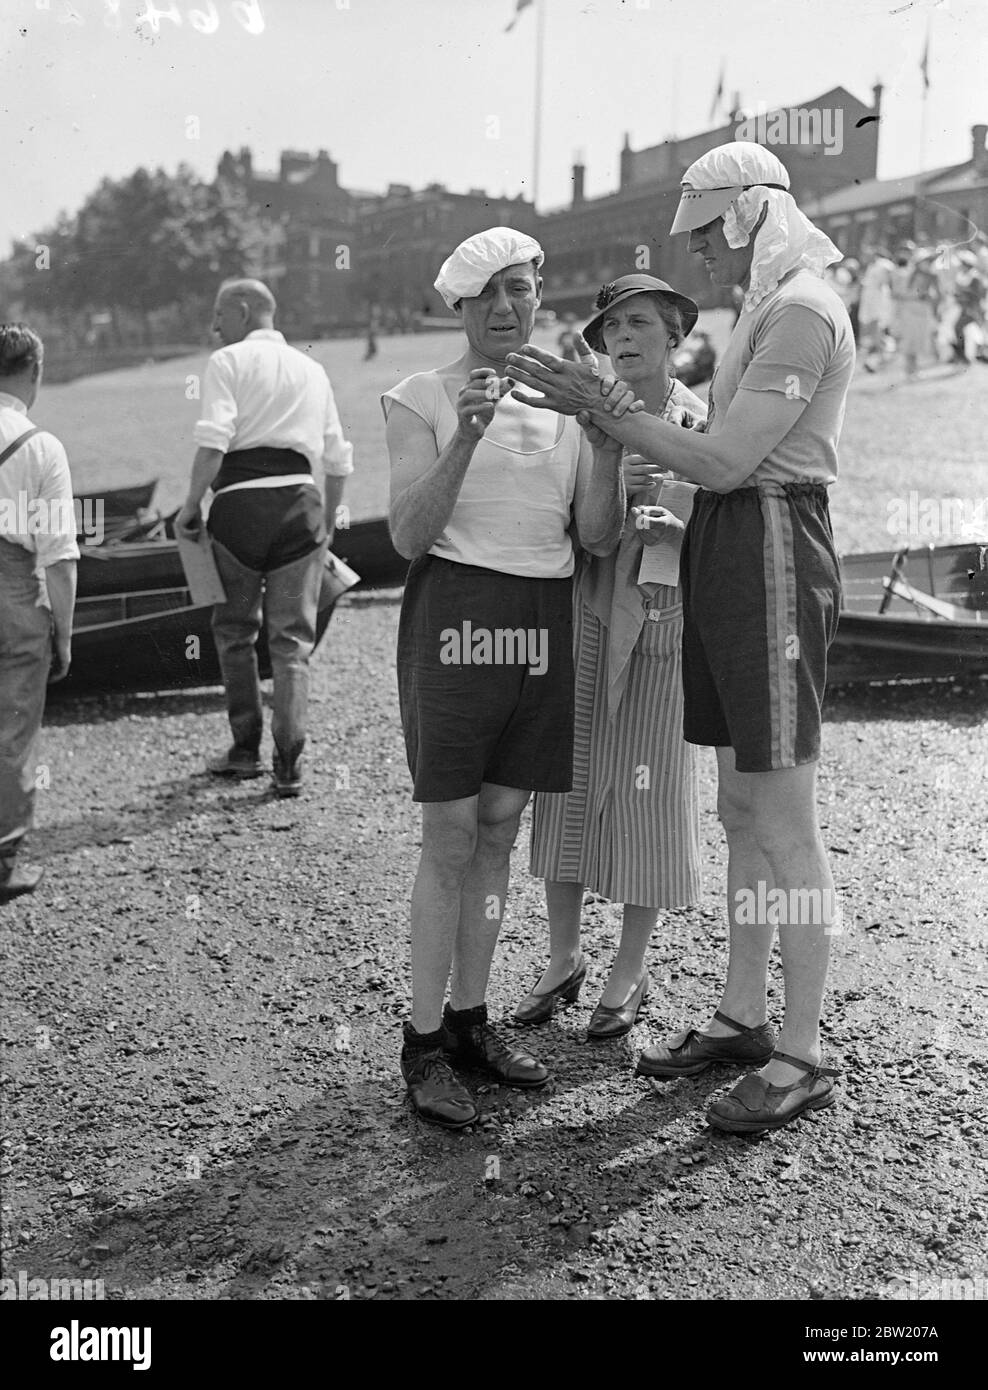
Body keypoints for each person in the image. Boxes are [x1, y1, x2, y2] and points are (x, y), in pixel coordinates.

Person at [505, 143, 854, 1135]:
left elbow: (726, 458)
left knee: (783, 817)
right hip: (736, 540)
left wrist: (601, 406)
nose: (697, 250)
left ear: (748, 213)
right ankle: (745, 1014)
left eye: (706, 230)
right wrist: (607, 413)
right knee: (743, 809)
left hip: (773, 537)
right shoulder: (767, 302)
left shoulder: (797, 308)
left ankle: (801, 1050)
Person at [384, 227, 630, 1129]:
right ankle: (419, 1047)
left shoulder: (565, 403)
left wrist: (604, 442)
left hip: (541, 617)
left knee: (499, 827)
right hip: (455, 614)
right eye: (487, 295)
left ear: (538, 297)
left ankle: (469, 1024)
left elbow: (596, 536)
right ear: (458, 306)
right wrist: (467, 439)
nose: (505, 308)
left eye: (520, 290)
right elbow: (407, 534)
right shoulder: (421, 396)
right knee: (449, 833)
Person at [515, 275, 705, 1041]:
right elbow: (592, 537)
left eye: (637, 324)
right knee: (566, 785)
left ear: (673, 336)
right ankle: (563, 957)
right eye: (610, 329)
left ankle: (630, 966)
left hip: (665, 616)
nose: (621, 339)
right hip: (589, 610)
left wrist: (676, 522)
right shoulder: (584, 413)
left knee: (649, 792)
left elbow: (725, 537)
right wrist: (611, 479)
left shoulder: (705, 417)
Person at [176, 279, 353, 797]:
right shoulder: (312, 369)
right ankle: (290, 765)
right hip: (302, 505)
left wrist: (190, 506)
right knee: (292, 643)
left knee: (235, 632)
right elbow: (337, 457)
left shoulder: (227, 361)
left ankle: (244, 749)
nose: (214, 327)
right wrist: (327, 520)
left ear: (245, 309)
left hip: (240, 507)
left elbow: (214, 440)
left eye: (218, 314)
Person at [0, 324, 78, 901]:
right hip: (13, 595)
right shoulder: (41, 447)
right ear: (35, 372)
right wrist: (65, 634)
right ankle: (3, 861)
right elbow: (59, 558)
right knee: (13, 726)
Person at [857, 247, 894, 372]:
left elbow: (891, 276)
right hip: (869, 302)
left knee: (877, 329)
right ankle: (882, 356)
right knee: (872, 332)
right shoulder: (871, 266)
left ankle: (882, 357)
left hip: (879, 301)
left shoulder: (883, 264)